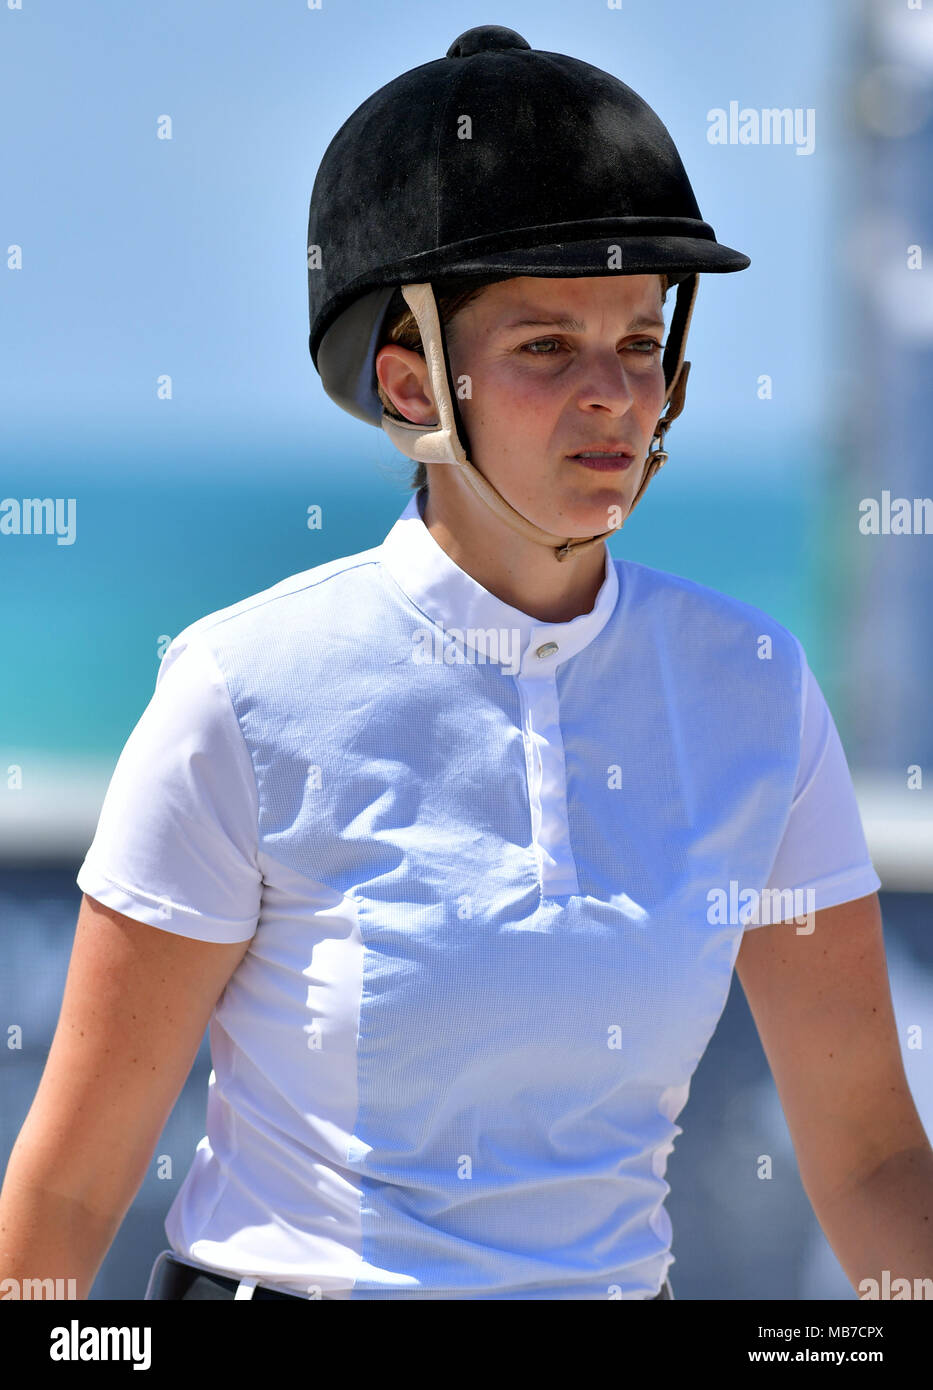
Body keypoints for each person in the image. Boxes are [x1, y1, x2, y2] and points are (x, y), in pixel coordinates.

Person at [1, 25, 931, 1304]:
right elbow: (65, 1193)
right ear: (411, 384)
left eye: (642, 343)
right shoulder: (243, 690)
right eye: (547, 346)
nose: (614, 394)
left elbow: (875, 1157)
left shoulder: (754, 689)